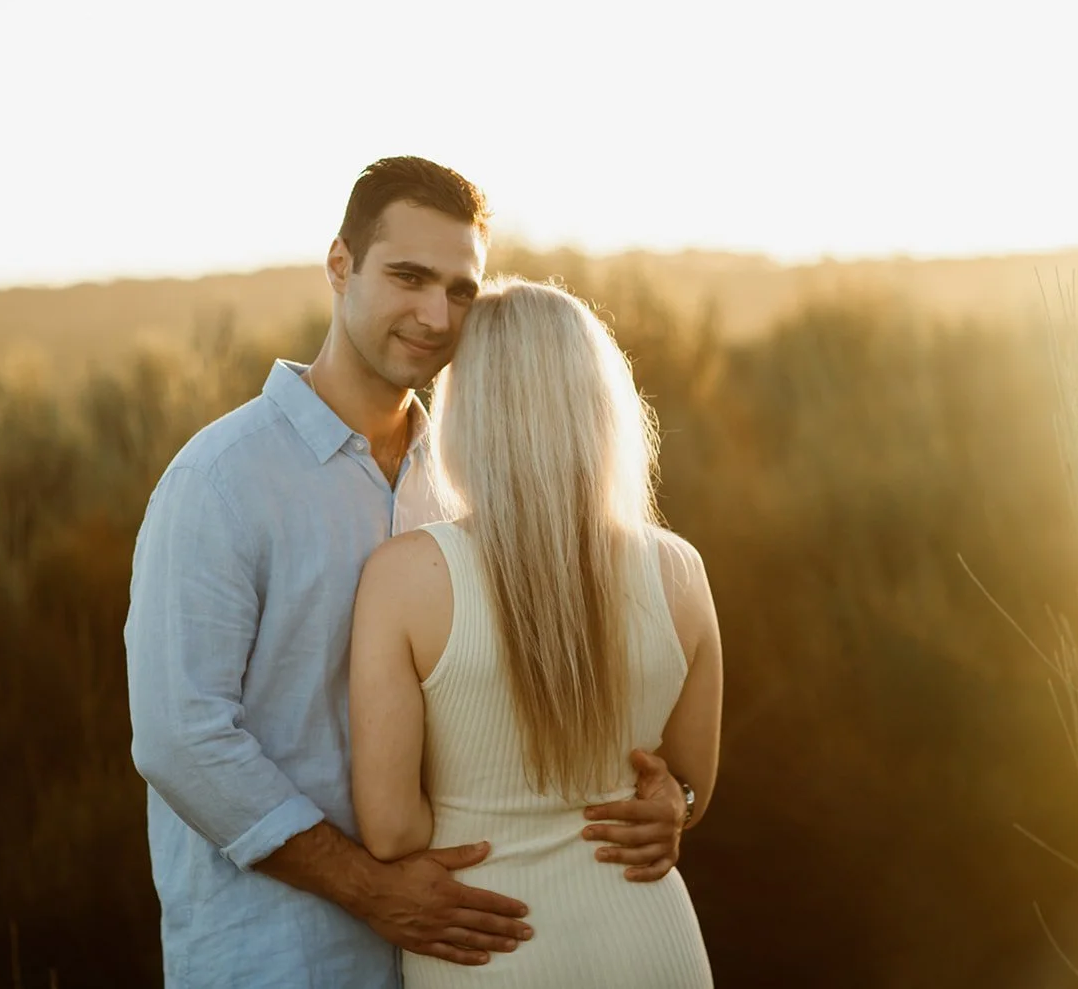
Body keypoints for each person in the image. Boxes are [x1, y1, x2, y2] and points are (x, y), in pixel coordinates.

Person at [123, 157, 692, 989]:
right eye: (409, 276)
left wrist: (664, 796)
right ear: (340, 265)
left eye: (462, 290)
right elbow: (181, 737)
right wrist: (370, 891)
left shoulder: (470, 485)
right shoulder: (222, 480)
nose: (436, 316)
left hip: (462, 955)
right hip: (279, 954)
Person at [348, 277, 723, 987]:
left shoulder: (406, 575)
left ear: (471, 413)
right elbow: (691, 787)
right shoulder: (679, 569)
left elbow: (392, 830)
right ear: (601, 409)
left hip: (486, 943)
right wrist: (677, 803)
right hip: (653, 939)